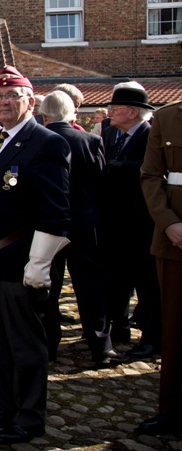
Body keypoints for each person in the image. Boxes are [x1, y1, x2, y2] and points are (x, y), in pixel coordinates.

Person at [0, 67, 70, 445]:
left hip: (22, 264)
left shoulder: (45, 143)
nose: (5, 103)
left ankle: (29, 417)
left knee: (25, 346)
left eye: (13, 96)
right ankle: (5, 408)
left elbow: (56, 212)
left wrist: (39, 265)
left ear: (31, 101)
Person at [39, 91, 112, 367]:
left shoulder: (38, 142)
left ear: (44, 116)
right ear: (73, 115)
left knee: (49, 287)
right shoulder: (91, 141)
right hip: (84, 223)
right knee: (91, 286)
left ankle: (48, 346)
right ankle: (101, 346)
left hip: (49, 225)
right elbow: (102, 184)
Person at [100, 82, 160, 359]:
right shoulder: (111, 134)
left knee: (147, 285)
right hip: (115, 225)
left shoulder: (150, 137)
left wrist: (121, 168)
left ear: (133, 112)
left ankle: (151, 338)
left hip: (141, 225)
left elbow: (153, 173)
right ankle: (118, 328)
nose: (110, 112)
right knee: (116, 280)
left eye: (116, 108)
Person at [138, 96, 182, 435]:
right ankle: (172, 410)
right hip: (174, 239)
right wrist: (168, 223)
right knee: (174, 328)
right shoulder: (166, 118)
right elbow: (151, 176)